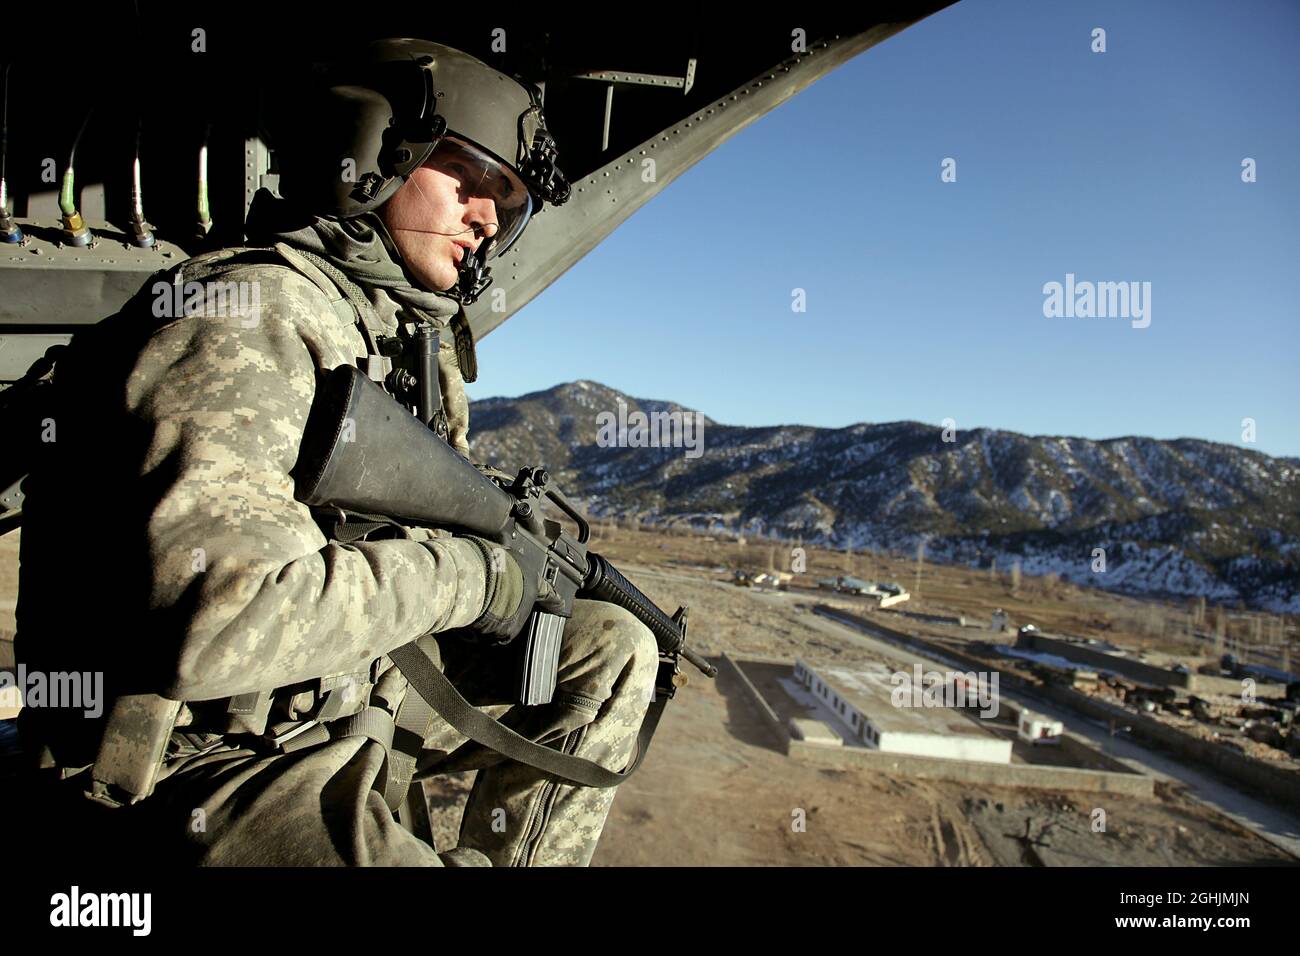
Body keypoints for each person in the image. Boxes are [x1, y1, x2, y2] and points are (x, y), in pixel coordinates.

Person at [12, 38, 659, 867]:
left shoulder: (401, 340)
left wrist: (512, 566)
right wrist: (475, 577)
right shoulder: (245, 313)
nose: (488, 218)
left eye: (509, 201)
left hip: (333, 693)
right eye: (471, 178)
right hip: (194, 759)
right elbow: (214, 628)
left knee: (613, 646)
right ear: (373, 155)